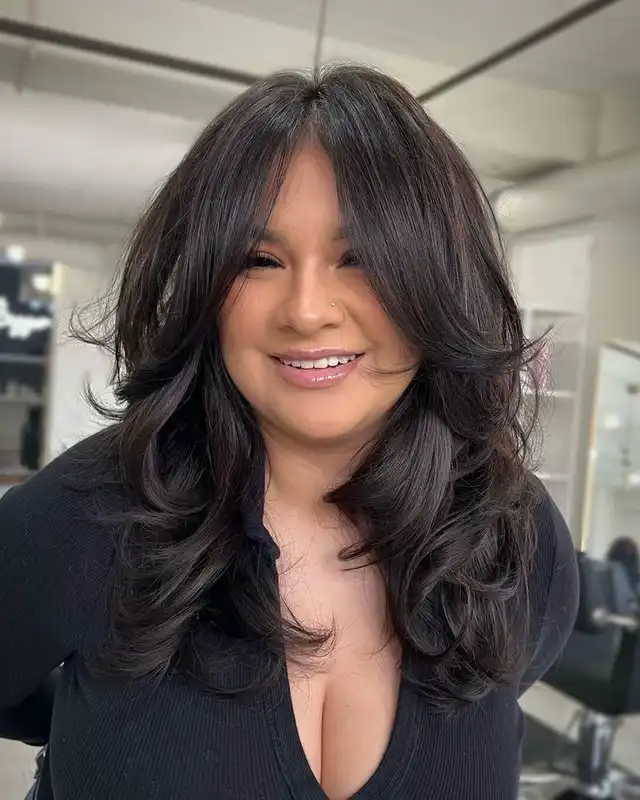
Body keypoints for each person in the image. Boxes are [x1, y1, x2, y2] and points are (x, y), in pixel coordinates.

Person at [0, 65, 578, 800]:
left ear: (438, 281)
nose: (307, 310)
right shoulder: (90, 512)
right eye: (260, 260)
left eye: (360, 258)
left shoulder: (518, 537)